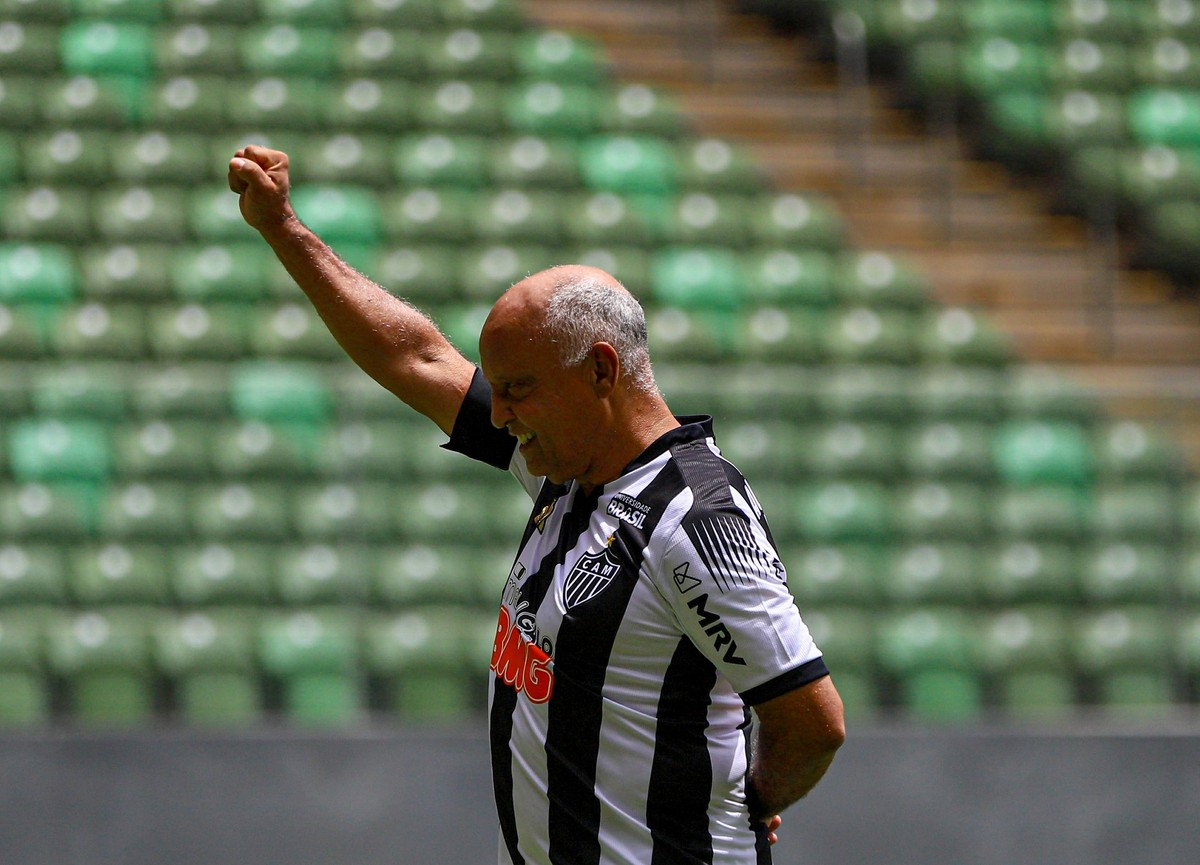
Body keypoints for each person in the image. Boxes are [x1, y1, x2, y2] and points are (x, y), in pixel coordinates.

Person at [228, 145, 845, 865]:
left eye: (518, 388)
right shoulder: (568, 471)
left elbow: (811, 719)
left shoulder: (695, 516)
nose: (500, 414)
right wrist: (283, 229)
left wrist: (757, 801)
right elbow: (419, 358)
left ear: (602, 372)